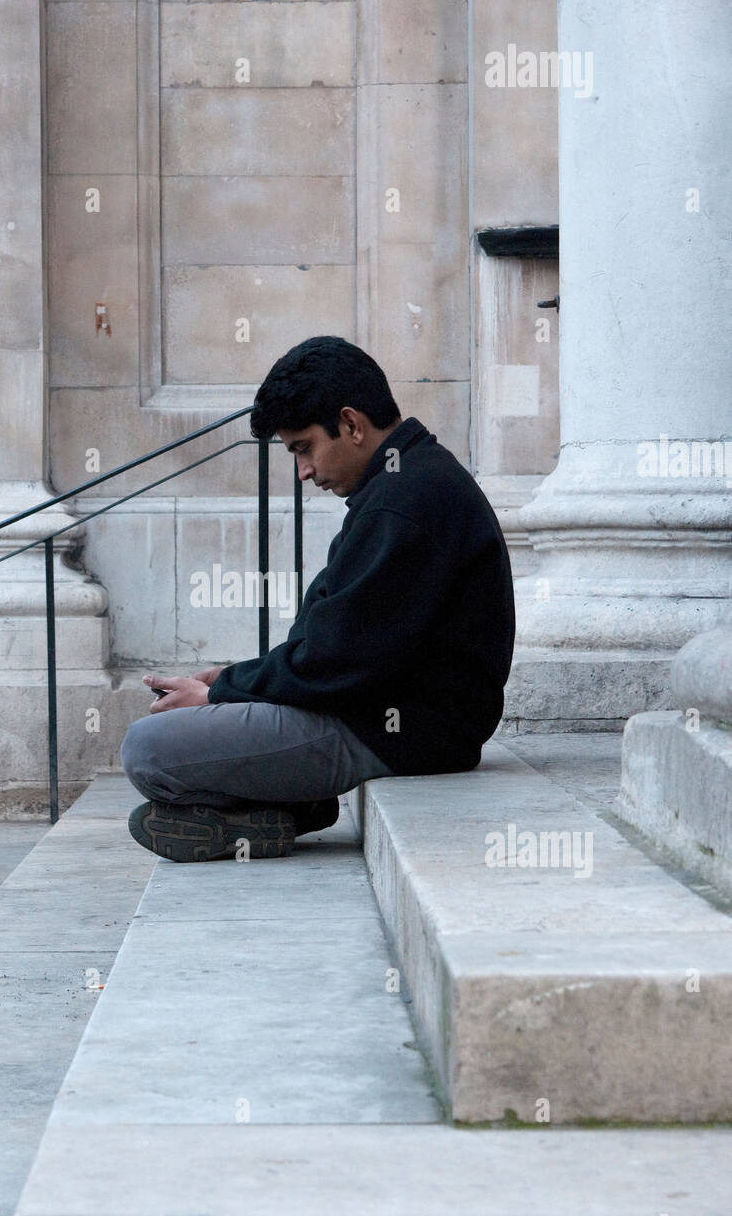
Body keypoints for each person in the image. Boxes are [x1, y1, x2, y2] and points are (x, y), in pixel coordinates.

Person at [121, 336, 515, 862]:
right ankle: (285, 807)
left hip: (395, 732)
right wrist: (234, 681)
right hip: (388, 719)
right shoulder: (403, 483)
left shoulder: (405, 500)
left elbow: (333, 660)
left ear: (351, 424)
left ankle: (285, 803)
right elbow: (331, 645)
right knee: (167, 733)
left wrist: (220, 695)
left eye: (303, 448)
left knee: (147, 749)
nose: (304, 471)